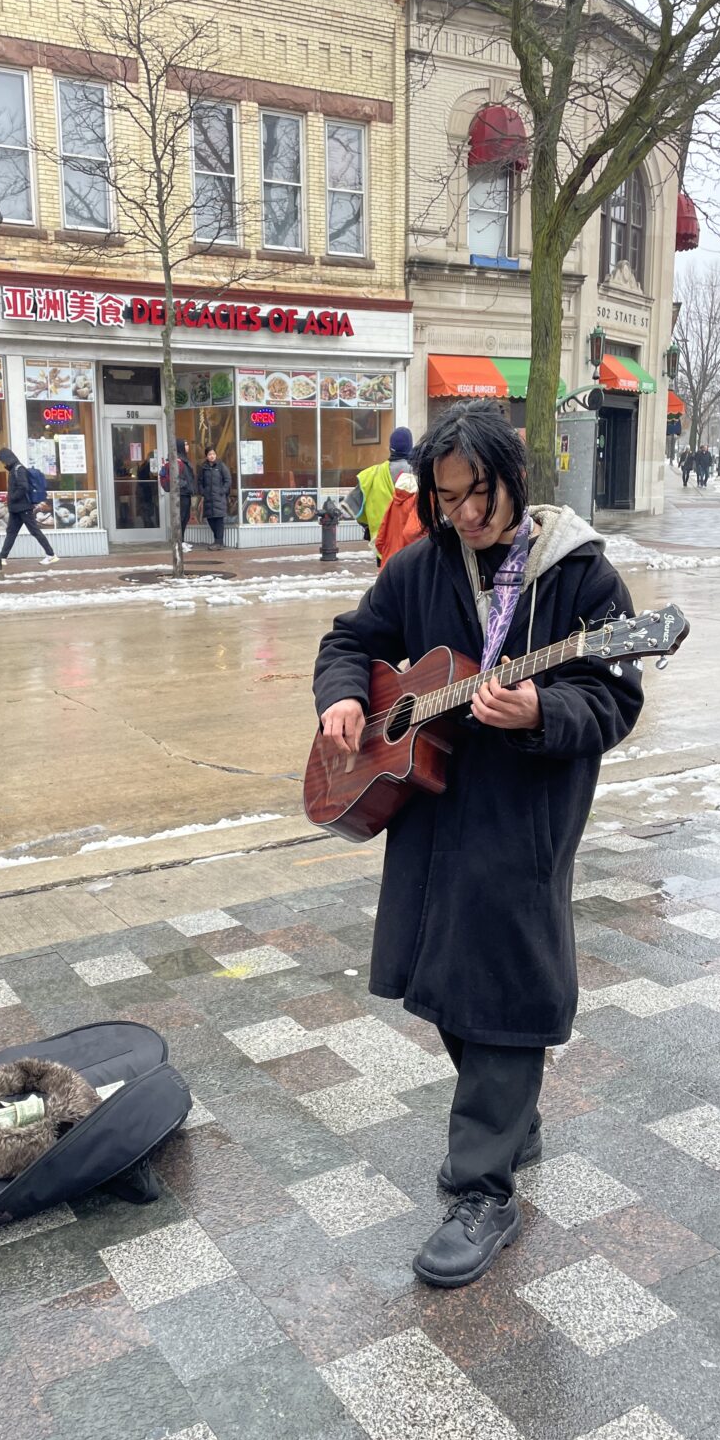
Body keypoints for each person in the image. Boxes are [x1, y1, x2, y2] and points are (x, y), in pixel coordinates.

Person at [312, 401, 643, 1290]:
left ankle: (482, 1190)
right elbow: (353, 639)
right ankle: (510, 1117)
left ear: (514, 479)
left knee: (503, 983)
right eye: (447, 498)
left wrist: (545, 707)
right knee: (450, 982)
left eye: (477, 496)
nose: (463, 514)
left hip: (522, 816)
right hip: (429, 814)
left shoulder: (580, 578)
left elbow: (614, 697)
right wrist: (344, 697)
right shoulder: (422, 566)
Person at [344, 426, 415, 559]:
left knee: (388, 579)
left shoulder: (371, 475)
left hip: (383, 546)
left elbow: (352, 508)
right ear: (411, 446)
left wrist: (369, 527)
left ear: (390, 447)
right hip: (415, 547)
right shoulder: (421, 473)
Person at [0, 448, 57, 565]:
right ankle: (2, 557)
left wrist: (12, 498)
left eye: (2, 461)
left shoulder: (19, 469)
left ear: (8, 459)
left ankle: (51, 554)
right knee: (11, 532)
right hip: (16, 508)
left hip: (23, 508)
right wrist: (10, 500)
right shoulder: (14, 469)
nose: (2, 464)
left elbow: (23, 487)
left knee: (34, 531)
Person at [159, 441, 196, 550]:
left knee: (185, 517)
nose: (187, 446)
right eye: (185, 444)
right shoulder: (177, 460)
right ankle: (178, 542)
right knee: (181, 518)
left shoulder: (183, 459)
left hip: (186, 492)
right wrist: (184, 485)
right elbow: (175, 477)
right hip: (181, 493)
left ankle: (182, 540)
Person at [197, 444, 231, 549]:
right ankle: (218, 541)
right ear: (206, 456)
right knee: (210, 519)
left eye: (213, 454)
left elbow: (228, 480)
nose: (212, 456)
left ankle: (218, 542)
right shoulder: (203, 467)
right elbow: (199, 481)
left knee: (219, 520)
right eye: (210, 454)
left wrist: (223, 491)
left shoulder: (221, 466)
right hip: (208, 498)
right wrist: (203, 492)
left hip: (219, 497)